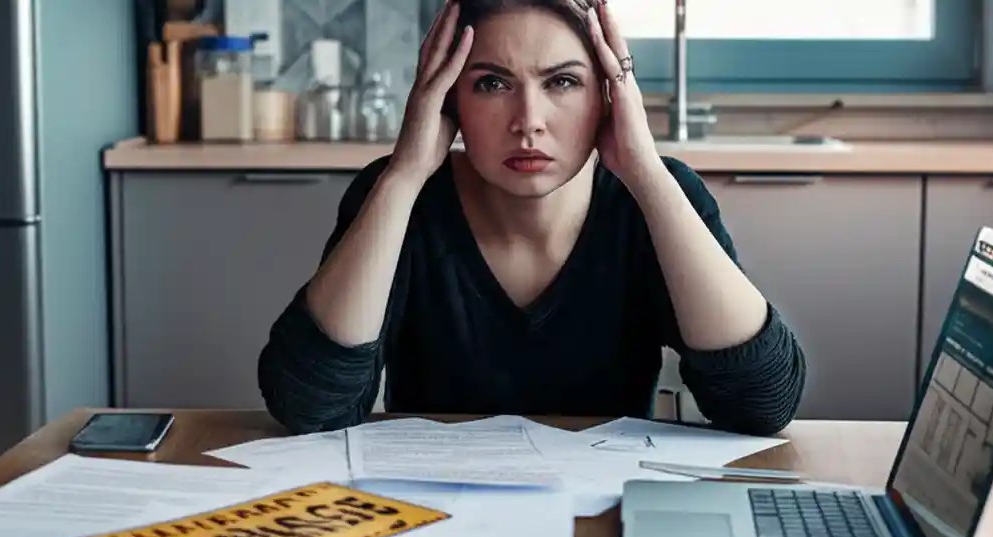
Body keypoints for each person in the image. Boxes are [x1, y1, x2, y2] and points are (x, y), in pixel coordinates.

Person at [258, 0, 806, 436]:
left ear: (608, 98)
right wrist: (402, 176)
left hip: (609, 517)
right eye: (492, 84)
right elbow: (310, 410)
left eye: (562, 82)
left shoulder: (655, 196)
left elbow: (762, 405)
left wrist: (646, 172)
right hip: (431, 517)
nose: (528, 123)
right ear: (448, 100)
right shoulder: (404, 195)